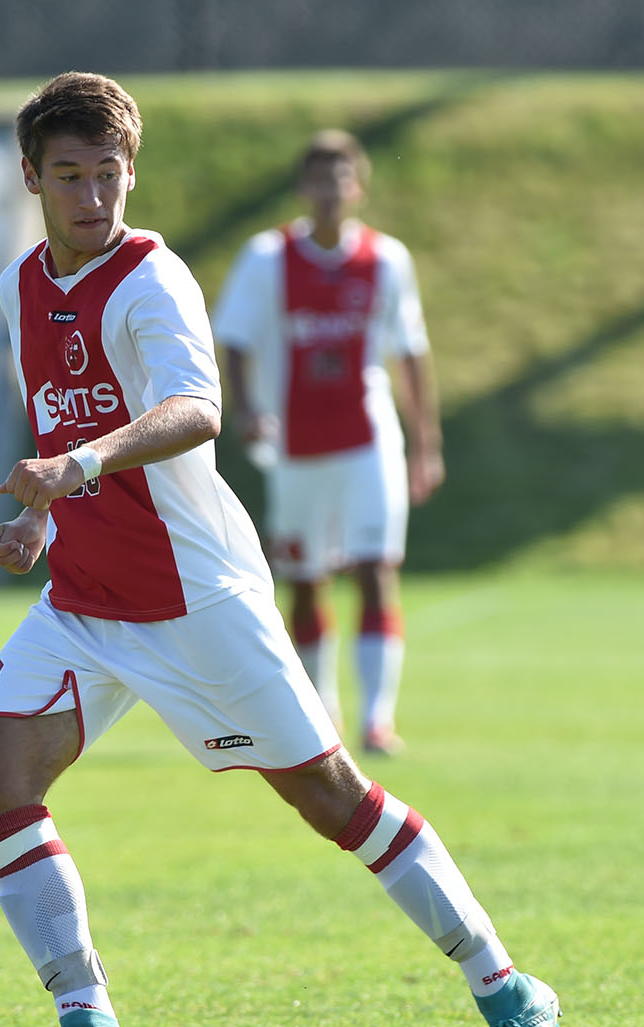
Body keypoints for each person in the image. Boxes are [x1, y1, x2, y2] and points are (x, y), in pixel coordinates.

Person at [0, 72, 557, 1027]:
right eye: (68, 178)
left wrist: (77, 469)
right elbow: (58, 436)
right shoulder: (22, 286)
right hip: (85, 603)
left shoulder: (152, 282)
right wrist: (39, 517)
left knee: (333, 802)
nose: (93, 198)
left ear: (130, 171)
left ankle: (505, 987)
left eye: (109, 175)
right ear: (31, 180)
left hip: (197, 600)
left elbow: (196, 409)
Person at [211, 129, 444, 755]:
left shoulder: (387, 260)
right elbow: (232, 338)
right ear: (301, 188)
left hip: (370, 444)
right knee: (307, 578)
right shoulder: (266, 258)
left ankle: (377, 719)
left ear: (359, 187)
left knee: (375, 570)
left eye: (341, 176)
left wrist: (427, 445)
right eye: (319, 176)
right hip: (296, 447)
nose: (331, 188)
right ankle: (323, 716)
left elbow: (412, 353)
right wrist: (250, 408)